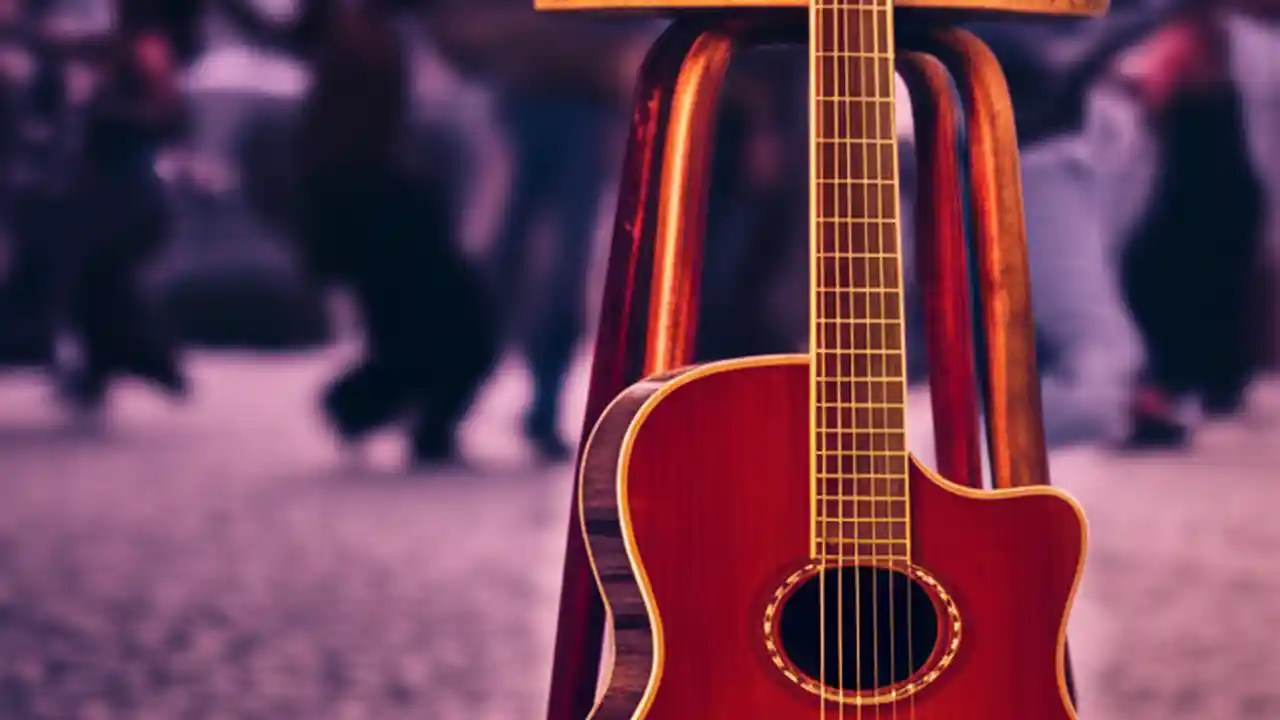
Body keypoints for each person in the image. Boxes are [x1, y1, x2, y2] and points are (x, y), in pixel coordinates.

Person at [223, 0, 498, 464]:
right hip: (363, 203)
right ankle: (372, 412)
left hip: (374, 201)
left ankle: (372, 412)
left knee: (429, 330)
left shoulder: (381, 28)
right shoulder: (345, 28)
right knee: (450, 329)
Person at [1114, 6, 1265, 447]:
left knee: (1156, 281)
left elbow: (1151, 91)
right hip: (1227, 191)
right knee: (1209, 289)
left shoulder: (1181, 42)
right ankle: (1209, 385)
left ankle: (1164, 392)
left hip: (1198, 192)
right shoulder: (1224, 43)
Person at [59, 31, 189, 408]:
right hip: (123, 209)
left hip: (123, 211)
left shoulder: (119, 101)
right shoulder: (138, 96)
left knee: (103, 285)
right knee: (98, 286)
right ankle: (103, 371)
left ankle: (153, 362)